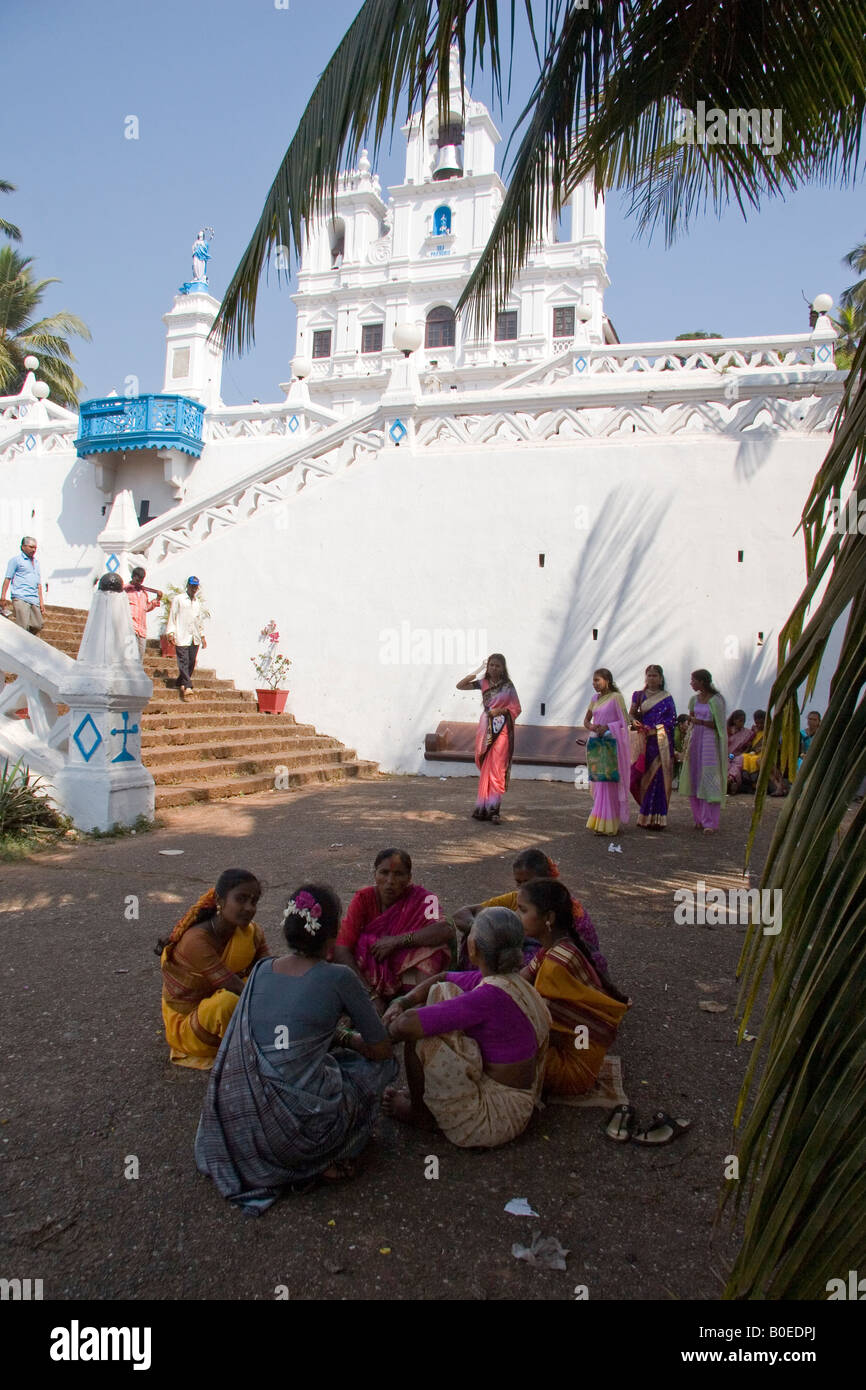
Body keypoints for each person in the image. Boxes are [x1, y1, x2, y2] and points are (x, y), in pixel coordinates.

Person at [194, 884, 397, 1210]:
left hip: (239, 1129)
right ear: (331, 937)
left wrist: (330, 1039)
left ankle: (305, 1158)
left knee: (316, 1060)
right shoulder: (340, 978)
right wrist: (349, 1038)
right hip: (297, 1138)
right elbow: (381, 1049)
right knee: (379, 1068)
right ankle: (324, 1158)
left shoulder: (261, 970)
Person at [382, 908, 550, 1148]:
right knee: (441, 992)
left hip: (496, 1118)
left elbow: (407, 1025)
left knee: (421, 1038)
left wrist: (380, 1036)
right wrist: (403, 1001)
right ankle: (428, 1097)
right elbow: (443, 978)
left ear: (473, 949)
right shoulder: (509, 980)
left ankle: (420, 1114)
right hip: (520, 1099)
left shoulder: (488, 996)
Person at [515, 879, 629, 1096]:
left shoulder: (555, 966)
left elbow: (530, 1016)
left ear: (548, 918)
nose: (517, 916)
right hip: (578, 1046)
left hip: (574, 1070)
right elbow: (520, 979)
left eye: (523, 910)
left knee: (494, 1045)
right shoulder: (557, 946)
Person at [157, 868, 270, 1069]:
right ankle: (247, 1052)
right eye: (241, 899)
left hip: (225, 1002)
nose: (249, 908)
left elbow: (267, 970)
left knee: (265, 983)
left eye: (254, 901)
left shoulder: (252, 932)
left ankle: (256, 1039)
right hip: (190, 1026)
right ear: (220, 900)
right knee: (228, 1001)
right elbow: (234, 987)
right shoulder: (196, 940)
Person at [452, 847, 609, 975]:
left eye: (528, 882)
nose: (522, 888)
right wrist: (478, 928)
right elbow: (463, 914)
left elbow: (518, 982)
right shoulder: (524, 898)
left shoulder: (556, 958)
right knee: (481, 933)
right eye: (518, 882)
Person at [333, 849, 452, 1011]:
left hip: (405, 977)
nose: (390, 881)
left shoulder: (424, 899)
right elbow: (341, 949)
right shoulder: (363, 899)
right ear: (375, 874)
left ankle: (416, 1009)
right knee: (361, 944)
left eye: (398, 874)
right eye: (384, 873)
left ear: (409, 878)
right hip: (368, 979)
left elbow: (444, 929)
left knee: (432, 948)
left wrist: (397, 941)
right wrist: (370, 995)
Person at [456, 653, 521, 823]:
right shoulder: (482, 683)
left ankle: (494, 810)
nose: (494, 668)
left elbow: (516, 708)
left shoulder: (508, 686)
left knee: (497, 769)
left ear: (503, 668)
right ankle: (482, 808)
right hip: (486, 728)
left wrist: (500, 711)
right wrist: (479, 669)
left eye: (497, 666)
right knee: (486, 767)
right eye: (491, 665)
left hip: (502, 729)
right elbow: (460, 686)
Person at [628, 664, 677, 828]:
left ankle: (658, 819)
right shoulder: (638, 695)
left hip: (661, 742)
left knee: (658, 779)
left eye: (655, 675)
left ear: (661, 679)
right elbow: (631, 714)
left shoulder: (667, 697)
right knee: (641, 778)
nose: (651, 678)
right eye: (649, 675)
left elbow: (671, 720)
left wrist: (655, 729)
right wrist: (634, 721)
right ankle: (644, 816)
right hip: (644, 743)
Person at [583, 668, 631, 835]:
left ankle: (609, 825)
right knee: (600, 782)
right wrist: (592, 726)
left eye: (598, 680)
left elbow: (625, 721)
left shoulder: (616, 698)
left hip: (610, 744)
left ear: (607, 680)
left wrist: (609, 727)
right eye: (593, 681)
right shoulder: (594, 698)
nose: (594, 684)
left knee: (609, 783)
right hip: (597, 743)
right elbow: (586, 720)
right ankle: (599, 822)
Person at [679, 669, 727, 832]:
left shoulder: (716, 700)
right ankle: (698, 817)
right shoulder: (694, 700)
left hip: (709, 741)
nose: (691, 684)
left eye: (693, 681)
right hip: (695, 740)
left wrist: (698, 721)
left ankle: (710, 821)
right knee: (695, 776)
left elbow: (718, 725)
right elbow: (691, 717)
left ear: (702, 682)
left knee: (708, 777)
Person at [166, 575, 207, 701]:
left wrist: (202, 636)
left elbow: (199, 620)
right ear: (188, 586)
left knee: (191, 661)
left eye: (196, 586)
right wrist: (170, 632)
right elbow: (172, 615)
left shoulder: (197, 603)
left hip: (194, 636)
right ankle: (188, 687)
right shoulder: (179, 599)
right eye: (192, 586)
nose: (194, 588)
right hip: (181, 634)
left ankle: (180, 682)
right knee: (183, 661)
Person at [1, 536, 44, 635]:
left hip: (34, 599)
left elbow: (39, 584)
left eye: (35, 548)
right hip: (20, 597)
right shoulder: (16, 560)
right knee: (22, 626)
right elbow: (8, 578)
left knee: (38, 624)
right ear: (23, 547)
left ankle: (21, 638)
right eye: (31, 547)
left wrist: (41, 601)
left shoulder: (36, 563)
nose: (34, 550)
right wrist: (3, 596)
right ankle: (20, 643)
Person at [124, 566, 162, 661]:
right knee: (130, 658)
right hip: (129, 629)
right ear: (133, 577)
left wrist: (157, 599)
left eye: (141, 580)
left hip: (141, 630)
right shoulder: (125, 591)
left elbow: (145, 609)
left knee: (139, 658)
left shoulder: (144, 593)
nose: (139, 582)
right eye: (137, 580)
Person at [726, 709, 754, 794]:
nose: (742, 723)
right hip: (727, 755)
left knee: (738, 761)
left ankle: (731, 780)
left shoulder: (747, 733)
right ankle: (727, 783)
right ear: (734, 721)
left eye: (744, 721)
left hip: (737, 755)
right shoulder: (727, 730)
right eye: (740, 721)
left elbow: (747, 748)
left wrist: (745, 751)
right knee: (725, 763)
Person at [672, 713, 691, 790]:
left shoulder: (687, 733)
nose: (688, 725)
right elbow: (672, 746)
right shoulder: (675, 733)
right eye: (687, 723)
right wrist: (677, 753)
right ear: (681, 724)